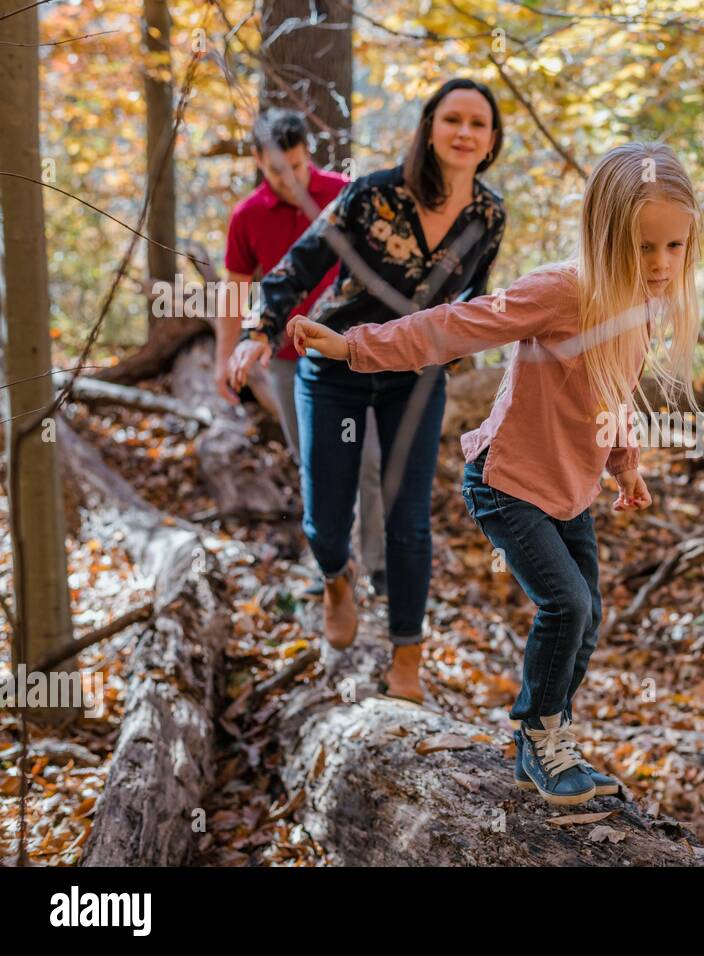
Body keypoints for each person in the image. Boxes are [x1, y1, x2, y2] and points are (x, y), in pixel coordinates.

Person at [286, 142, 703, 807]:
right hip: (505, 482)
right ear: (603, 235)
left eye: (674, 248)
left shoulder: (644, 302)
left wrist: (626, 465)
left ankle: (552, 742)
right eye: (642, 248)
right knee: (565, 604)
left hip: (569, 490)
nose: (659, 264)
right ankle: (538, 744)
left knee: (587, 616)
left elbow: (614, 391)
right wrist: (354, 345)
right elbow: (460, 325)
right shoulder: (565, 290)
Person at [227, 79, 507, 703]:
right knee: (325, 519)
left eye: (478, 124)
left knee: (409, 522)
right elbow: (297, 264)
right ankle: (335, 577)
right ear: (430, 127)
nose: (464, 132)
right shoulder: (373, 195)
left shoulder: (488, 215)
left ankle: (406, 658)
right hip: (333, 364)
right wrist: (256, 333)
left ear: (490, 142)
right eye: (452, 119)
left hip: (414, 375)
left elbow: (473, 299)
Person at [217, 108, 387, 598]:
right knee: (314, 462)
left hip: (356, 352)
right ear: (257, 160)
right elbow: (233, 294)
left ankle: (377, 567)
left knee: (371, 460)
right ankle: (333, 567)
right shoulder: (247, 216)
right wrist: (224, 361)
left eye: (296, 165)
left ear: (306, 153)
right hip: (291, 362)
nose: (289, 179)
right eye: (276, 170)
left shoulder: (343, 193)